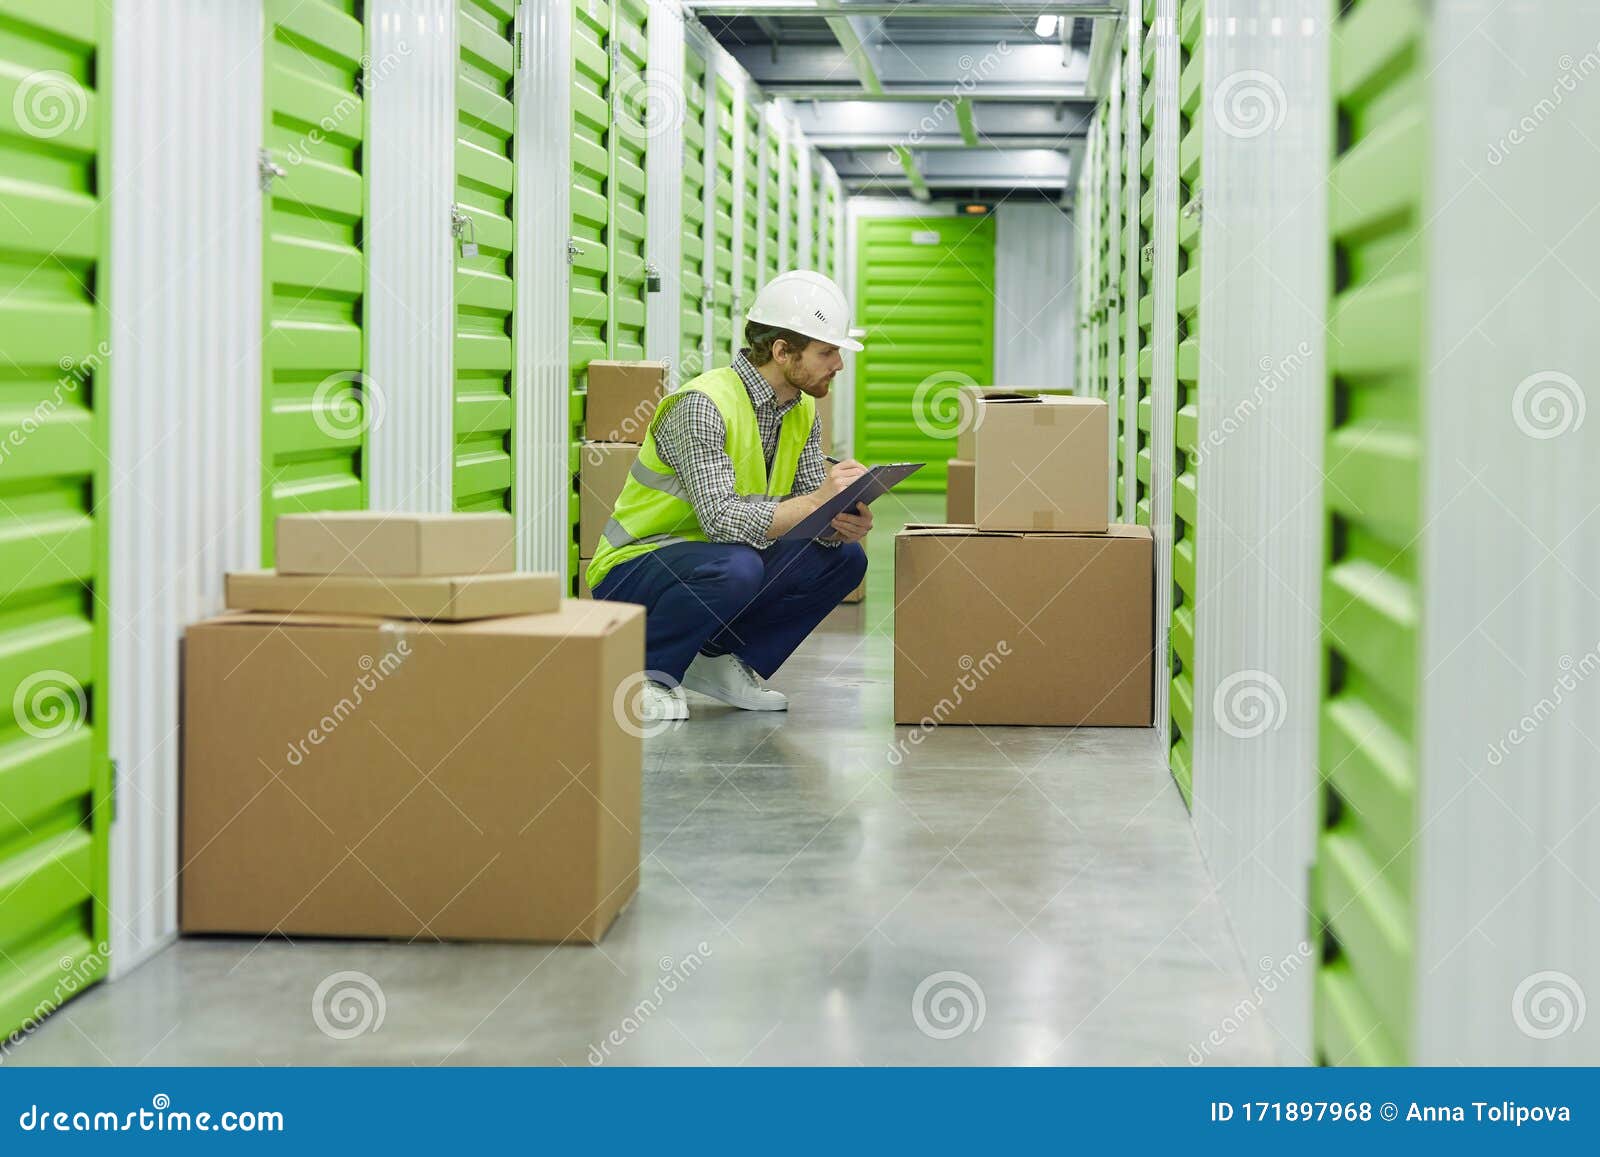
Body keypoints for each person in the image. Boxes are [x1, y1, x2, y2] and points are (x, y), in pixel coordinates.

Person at [587, 270, 872, 721]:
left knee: (845, 561)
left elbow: (801, 514)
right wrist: (819, 501)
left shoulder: (801, 411)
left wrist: (837, 524)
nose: (838, 364)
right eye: (827, 351)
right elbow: (721, 520)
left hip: (717, 563)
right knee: (737, 566)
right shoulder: (702, 404)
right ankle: (648, 675)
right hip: (636, 568)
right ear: (782, 351)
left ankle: (718, 660)